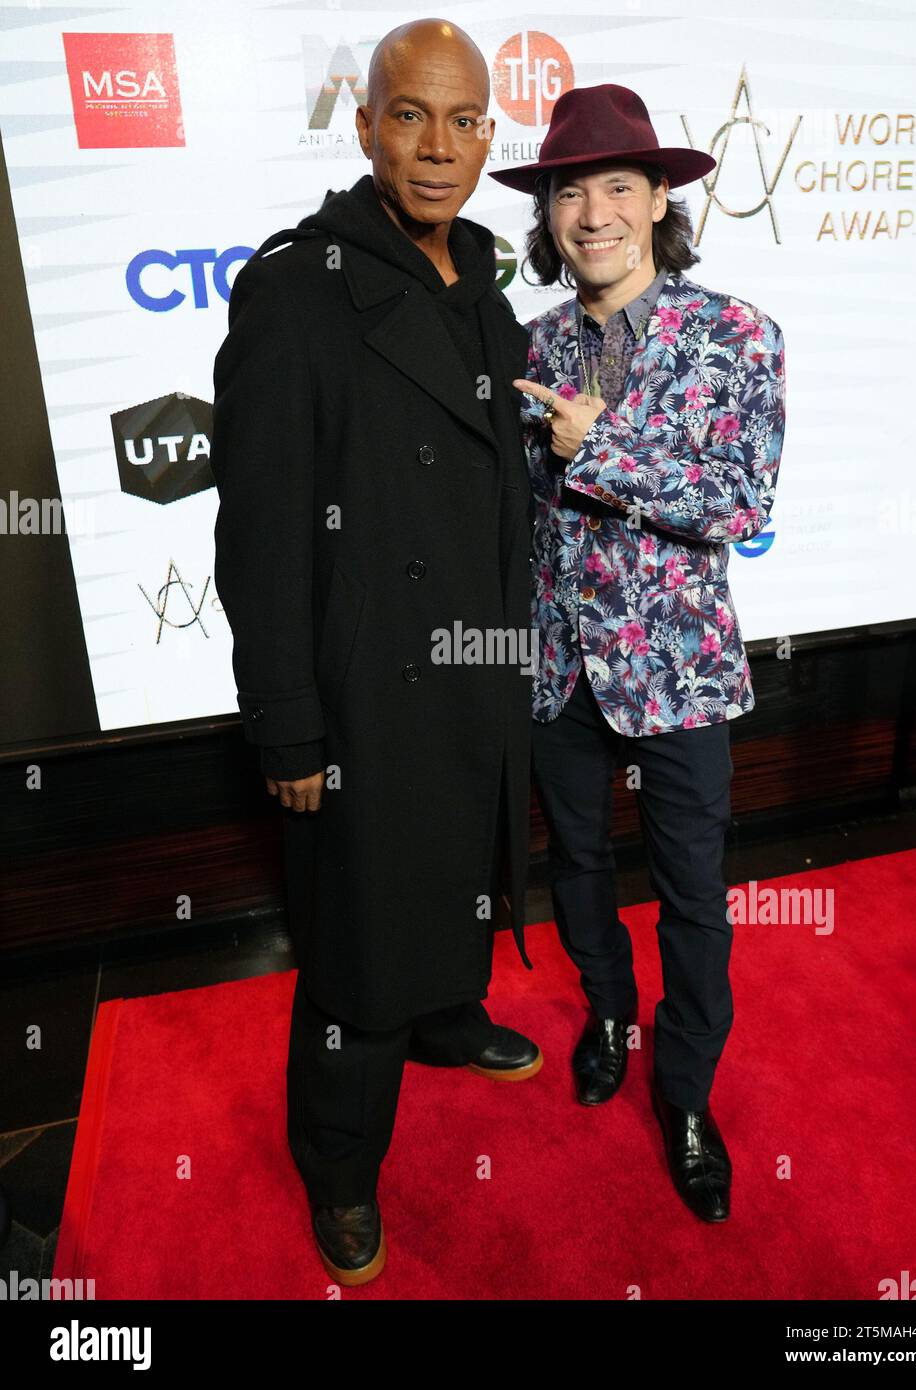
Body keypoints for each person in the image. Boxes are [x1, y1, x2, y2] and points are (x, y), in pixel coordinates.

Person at [210, 18, 541, 1286]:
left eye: (465, 121)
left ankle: (448, 1012)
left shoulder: (489, 287)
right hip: (366, 693)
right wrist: (288, 723)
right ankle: (341, 1165)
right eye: (411, 115)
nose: (438, 147)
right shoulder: (296, 290)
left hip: (478, 668)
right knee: (356, 939)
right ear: (364, 125)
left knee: (457, 867)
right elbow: (261, 529)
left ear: (487, 137)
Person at [490, 84, 786, 1222]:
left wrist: (600, 444)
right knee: (574, 867)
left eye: (618, 185)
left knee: (694, 898)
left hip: (678, 671)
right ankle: (607, 1014)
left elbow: (738, 501)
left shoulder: (736, 334)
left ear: (660, 199)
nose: (594, 211)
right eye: (571, 191)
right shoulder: (533, 341)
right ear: (552, 216)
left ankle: (688, 1094)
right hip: (556, 668)